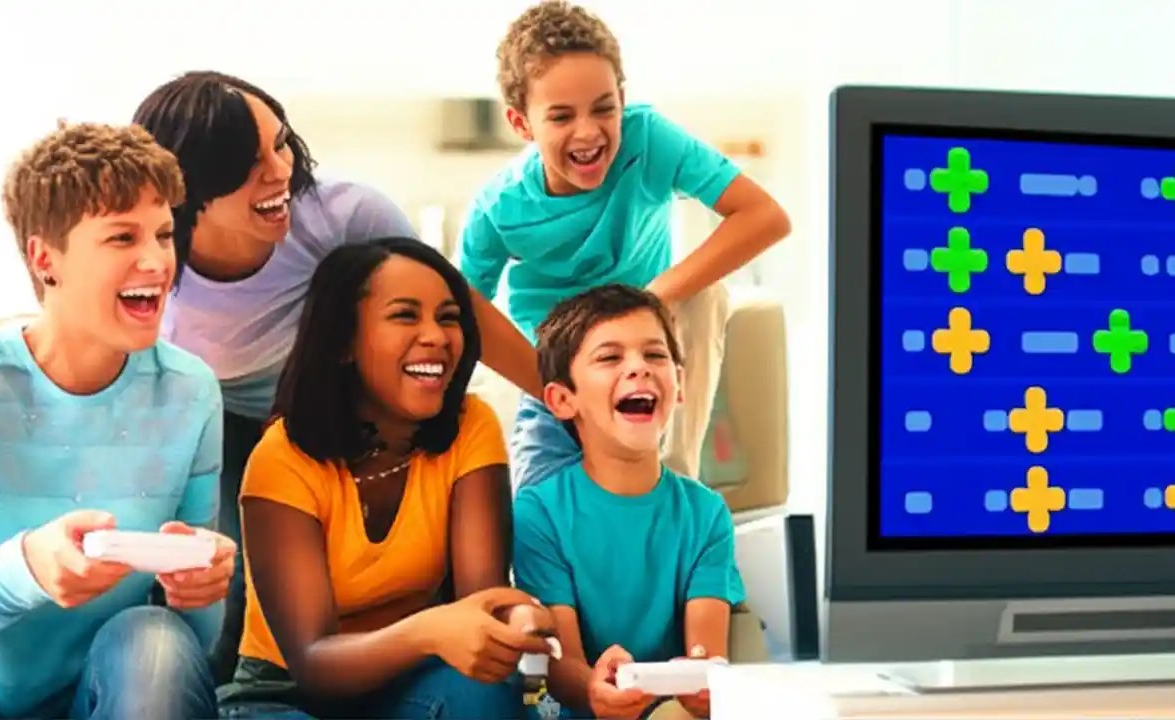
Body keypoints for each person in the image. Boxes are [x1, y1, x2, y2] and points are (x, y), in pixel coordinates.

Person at [132, 72, 545, 679]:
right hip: (218, 423)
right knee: (227, 599)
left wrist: (562, 396)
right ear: (189, 185)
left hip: (327, 410)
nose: (279, 170)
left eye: (281, 144)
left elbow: (452, 302)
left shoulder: (340, 214)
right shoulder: (157, 252)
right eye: (249, 163)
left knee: (411, 583)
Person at [0, 122, 236, 719]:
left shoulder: (190, 391)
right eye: (122, 237)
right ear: (45, 259)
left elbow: (195, 645)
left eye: (164, 234)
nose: (156, 260)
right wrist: (22, 571)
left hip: (102, 702)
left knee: (153, 639)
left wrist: (201, 589)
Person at [457, 0, 793, 492]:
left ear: (622, 98)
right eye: (561, 116)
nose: (588, 132)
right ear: (522, 123)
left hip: (646, 342)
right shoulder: (498, 207)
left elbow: (766, 216)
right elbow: (461, 307)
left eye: (603, 108)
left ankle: (672, 475)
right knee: (538, 511)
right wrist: (555, 389)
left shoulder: (648, 140)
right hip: (561, 373)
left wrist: (653, 298)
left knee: (707, 295)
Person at [217, 237, 557, 720]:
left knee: (485, 691)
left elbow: (480, 601)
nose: (436, 336)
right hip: (286, 693)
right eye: (404, 316)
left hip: (413, 684)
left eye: (448, 317)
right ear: (343, 343)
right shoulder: (282, 457)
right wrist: (428, 631)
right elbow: (312, 661)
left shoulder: (471, 425)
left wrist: (517, 620)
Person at [513, 284, 746, 720]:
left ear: (679, 385)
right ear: (562, 400)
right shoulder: (537, 513)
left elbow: (707, 656)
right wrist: (593, 688)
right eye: (609, 357)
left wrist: (705, 685)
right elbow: (559, 666)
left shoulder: (707, 514)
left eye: (655, 355)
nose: (639, 367)